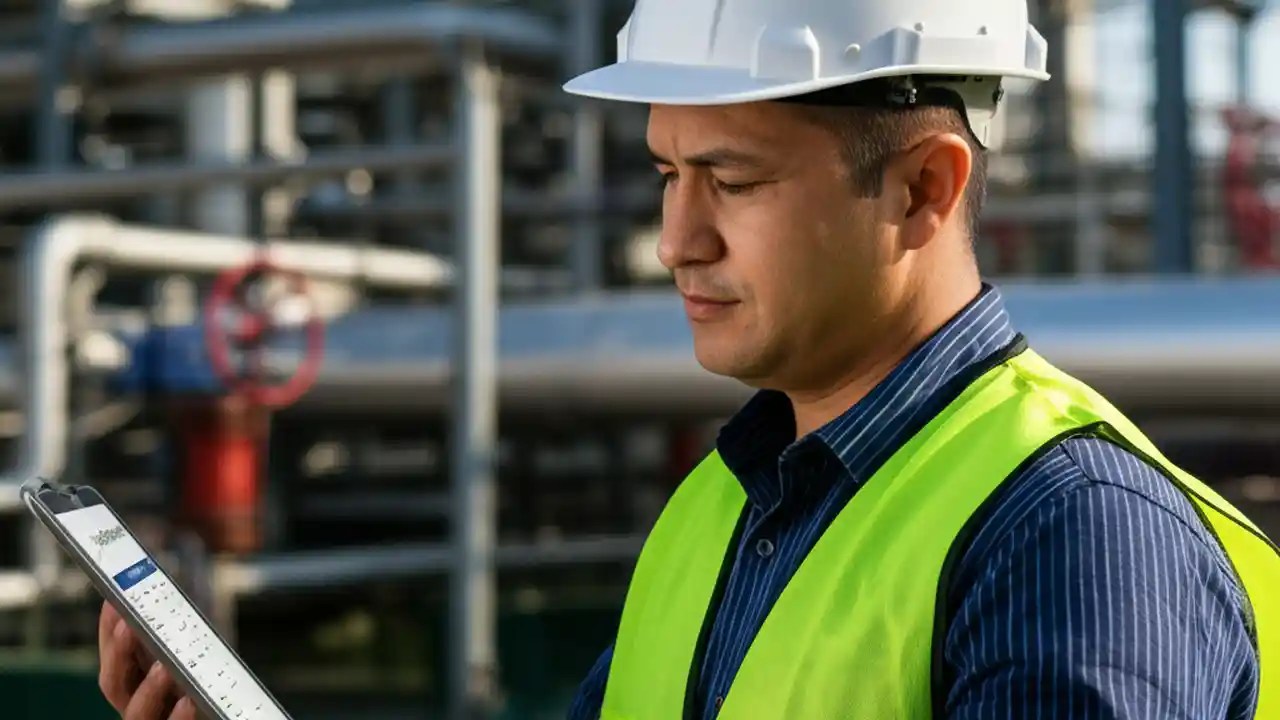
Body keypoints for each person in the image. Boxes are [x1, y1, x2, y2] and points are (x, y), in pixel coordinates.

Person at [558, 0, 1280, 718]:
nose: (676, 242)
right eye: (667, 176)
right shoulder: (717, 507)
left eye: (733, 182)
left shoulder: (1073, 539)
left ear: (922, 189)